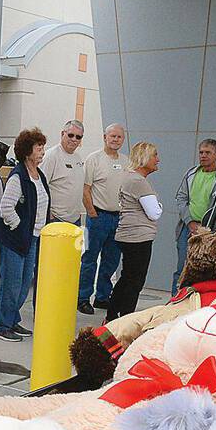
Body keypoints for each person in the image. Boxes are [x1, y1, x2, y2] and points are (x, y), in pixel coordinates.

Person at [0, 127, 51, 343]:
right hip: (14, 240)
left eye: (43, 146)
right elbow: (6, 207)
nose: (42, 151)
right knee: (12, 283)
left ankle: (12, 319)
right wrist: (19, 227)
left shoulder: (38, 175)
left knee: (25, 283)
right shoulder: (19, 176)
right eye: (38, 147)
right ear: (27, 151)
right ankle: (0, 326)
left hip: (32, 238)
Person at [106, 141, 162, 323]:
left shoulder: (129, 178)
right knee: (135, 281)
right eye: (154, 155)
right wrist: (160, 205)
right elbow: (154, 213)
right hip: (139, 237)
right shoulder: (139, 182)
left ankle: (112, 316)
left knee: (127, 278)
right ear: (144, 158)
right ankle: (125, 320)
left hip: (127, 235)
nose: (157, 160)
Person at [79, 123, 127, 314]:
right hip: (97, 217)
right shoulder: (94, 159)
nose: (115, 140)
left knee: (111, 260)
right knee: (90, 258)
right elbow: (85, 189)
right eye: (112, 136)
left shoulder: (126, 161)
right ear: (104, 137)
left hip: (118, 219)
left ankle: (102, 297)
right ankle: (83, 298)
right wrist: (92, 213)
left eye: (119, 137)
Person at [173, 138, 216, 295]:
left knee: (204, 269)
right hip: (187, 228)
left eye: (208, 152)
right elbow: (180, 198)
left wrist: (204, 227)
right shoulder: (191, 174)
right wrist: (190, 222)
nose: (203, 156)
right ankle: (175, 300)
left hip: (210, 230)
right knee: (182, 267)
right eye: (201, 152)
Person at [39, 119, 86, 225]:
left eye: (78, 137)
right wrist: (48, 214)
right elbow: (40, 186)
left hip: (75, 220)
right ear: (62, 134)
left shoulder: (77, 158)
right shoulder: (51, 156)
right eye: (71, 135)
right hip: (56, 219)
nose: (74, 139)